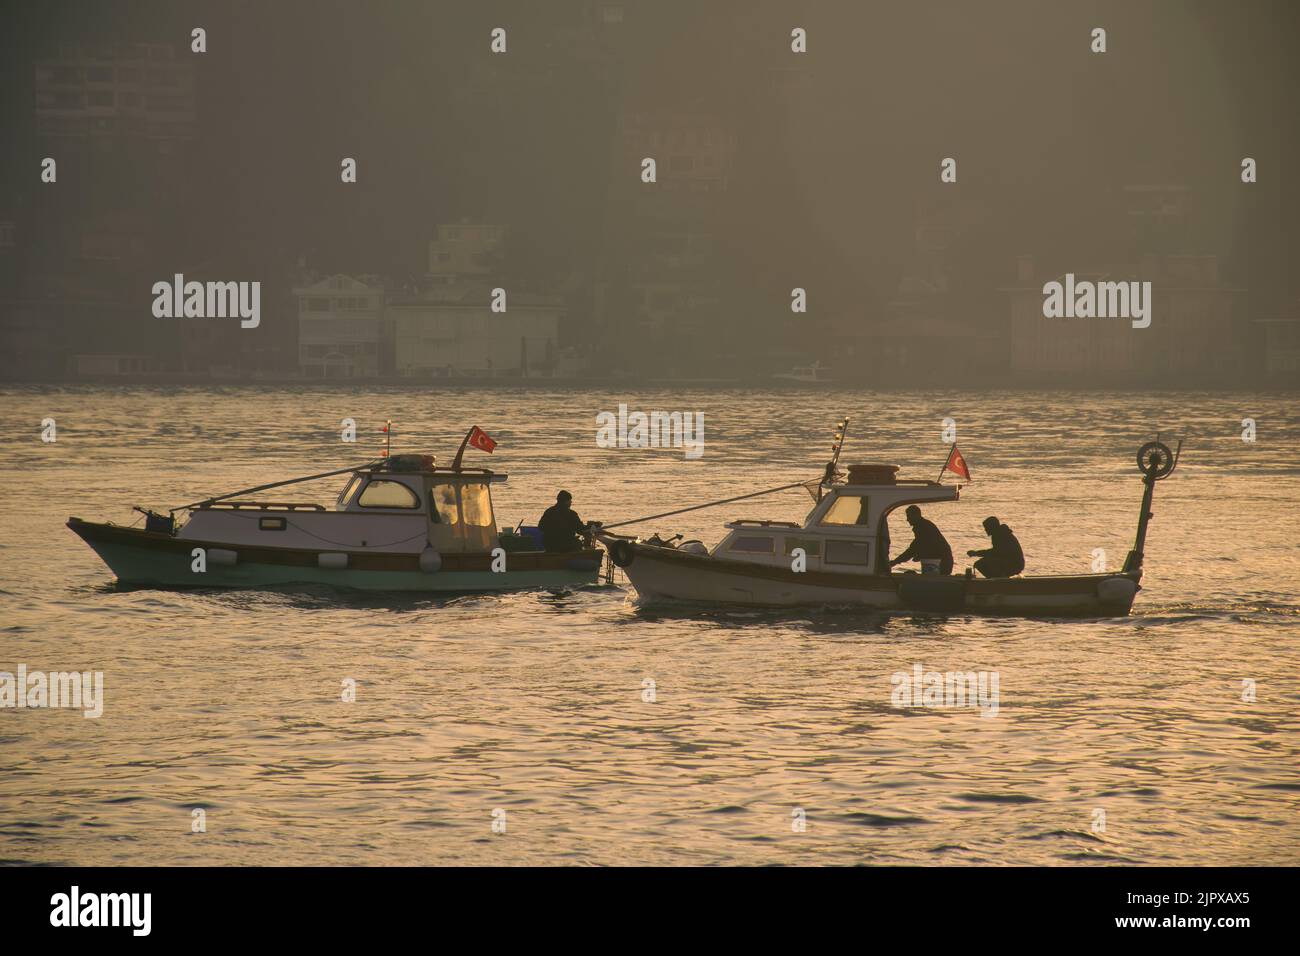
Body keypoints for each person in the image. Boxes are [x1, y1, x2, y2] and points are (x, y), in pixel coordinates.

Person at [889, 505, 954, 575]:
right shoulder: (923, 525)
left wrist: (895, 562)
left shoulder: (923, 527)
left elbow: (914, 549)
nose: (907, 519)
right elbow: (916, 547)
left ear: (916, 515)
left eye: (908, 516)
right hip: (940, 562)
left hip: (941, 563)